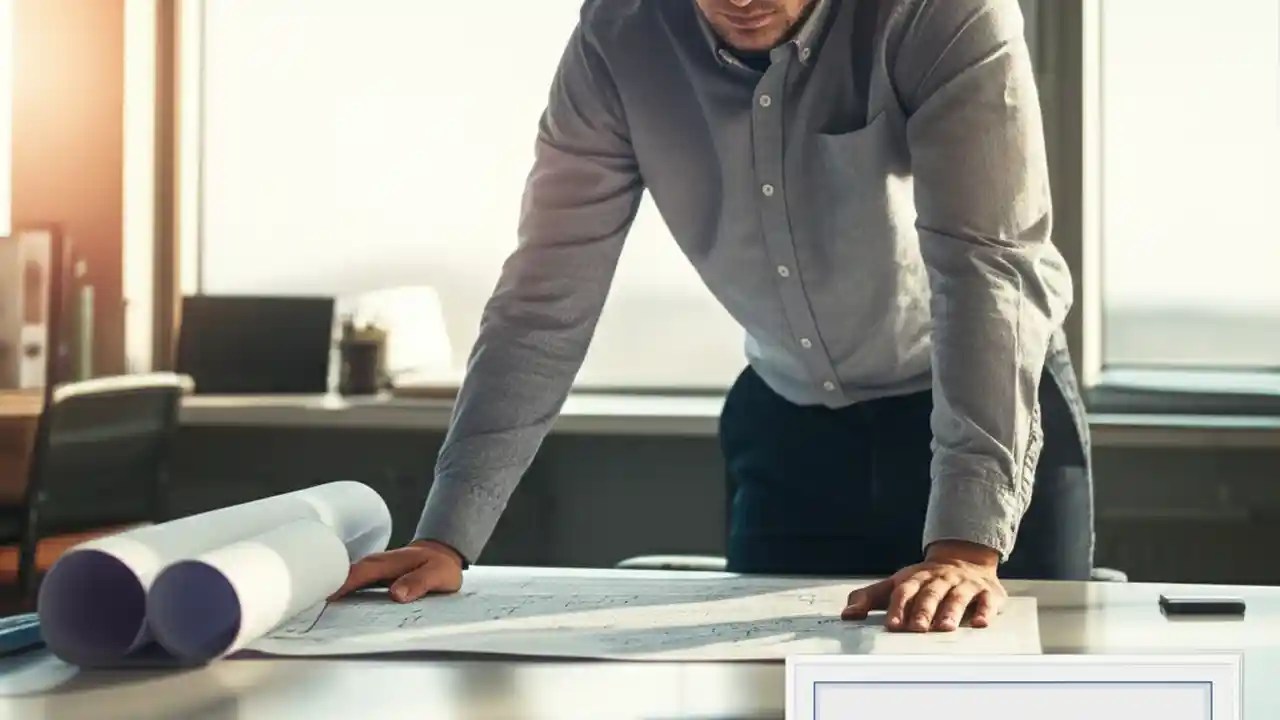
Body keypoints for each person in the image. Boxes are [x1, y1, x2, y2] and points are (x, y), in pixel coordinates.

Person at [333, 0, 1094, 634]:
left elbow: (986, 269)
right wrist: (446, 537)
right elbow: (543, 298)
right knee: (773, 694)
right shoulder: (618, 36)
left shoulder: (941, 12)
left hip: (988, 408)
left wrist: (965, 548)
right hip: (792, 430)